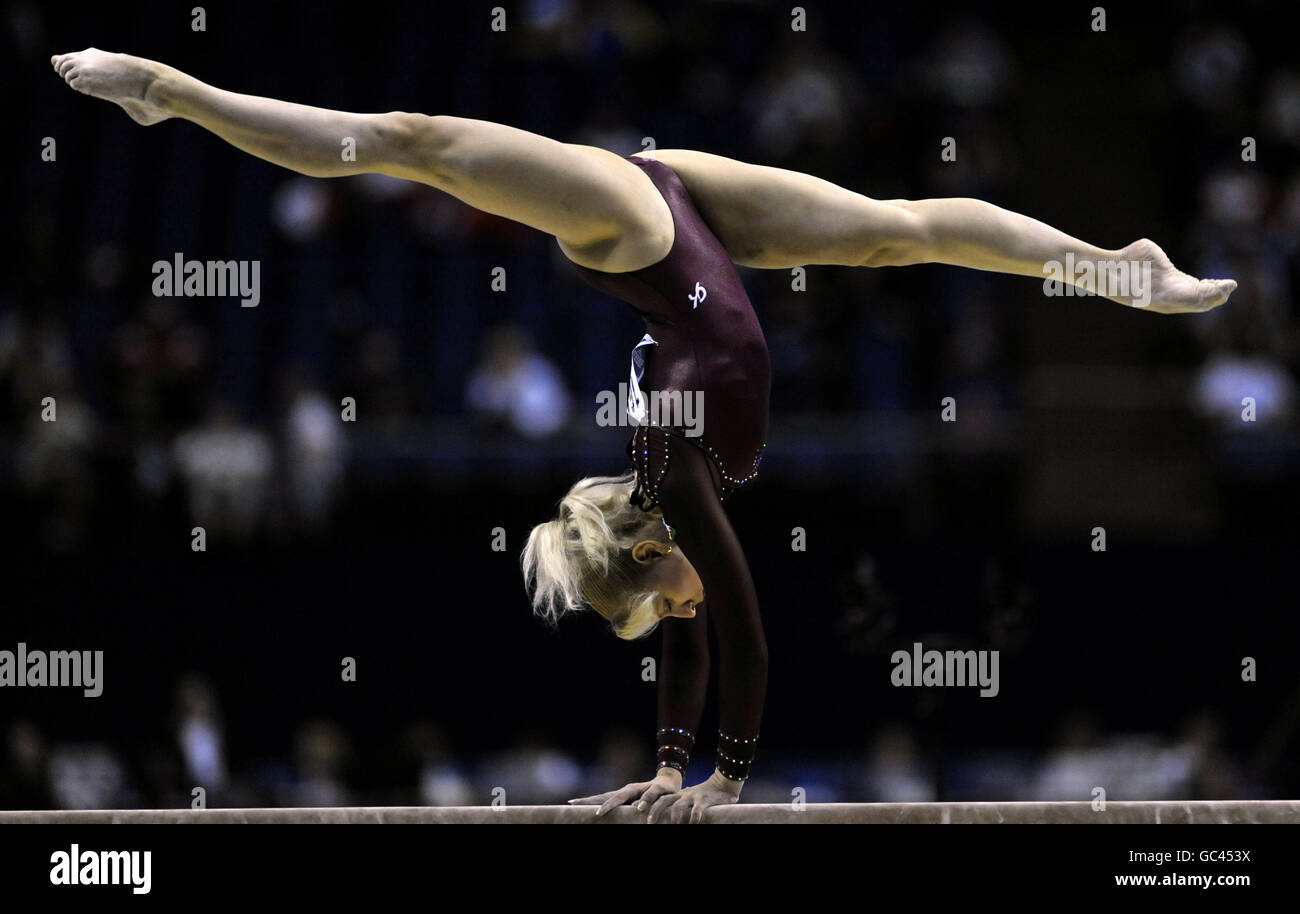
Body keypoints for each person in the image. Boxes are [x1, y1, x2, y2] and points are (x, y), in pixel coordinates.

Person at [51, 47, 1237, 824]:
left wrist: (723, 776)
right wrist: (669, 766)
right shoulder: (674, 501)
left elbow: (738, 624)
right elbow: (694, 620)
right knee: (894, 228)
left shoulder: (673, 474)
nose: (679, 611)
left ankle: (174, 92)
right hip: (689, 228)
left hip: (631, 230)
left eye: (656, 601)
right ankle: (1112, 264)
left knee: (409, 138)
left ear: (651, 555)